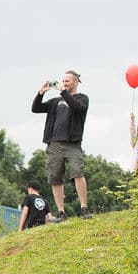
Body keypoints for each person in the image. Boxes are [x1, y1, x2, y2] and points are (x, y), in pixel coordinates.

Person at [31, 70, 90, 220]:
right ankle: (61, 212)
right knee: (55, 177)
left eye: (67, 81)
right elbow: (35, 108)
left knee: (77, 172)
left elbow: (76, 107)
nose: (64, 83)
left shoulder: (82, 98)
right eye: (63, 81)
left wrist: (63, 92)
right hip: (54, 144)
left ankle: (84, 208)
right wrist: (41, 93)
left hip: (72, 144)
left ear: (76, 82)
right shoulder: (55, 102)